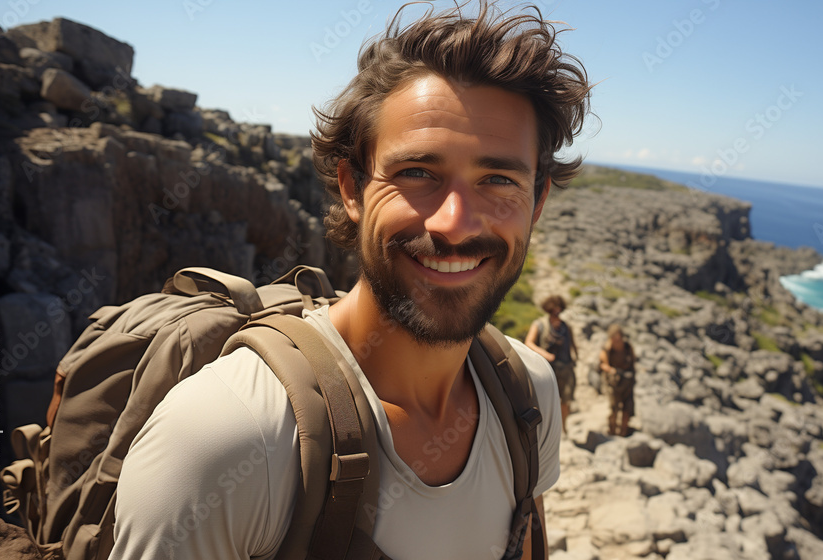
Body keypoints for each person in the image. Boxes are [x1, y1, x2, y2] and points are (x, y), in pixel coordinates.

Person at [108, 2, 591, 559]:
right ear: (352, 188)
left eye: (499, 179)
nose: (454, 223)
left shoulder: (528, 394)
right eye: (417, 173)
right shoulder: (224, 437)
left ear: (536, 202)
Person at [525, 295, 577, 434]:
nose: (557, 314)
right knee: (545, 401)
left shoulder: (566, 326)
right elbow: (529, 342)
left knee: (565, 400)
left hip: (565, 368)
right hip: (547, 369)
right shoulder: (539, 324)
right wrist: (545, 354)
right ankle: (547, 430)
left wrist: (575, 358)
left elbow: (572, 344)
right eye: (554, 311)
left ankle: (563, 428)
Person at [598, 324, 637, 437]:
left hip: (627, 383)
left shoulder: (627, 347)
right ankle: (612, 430)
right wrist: (612, 371)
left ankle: (623, 432)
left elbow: (633, 362)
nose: (617, 340)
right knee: (613, 408)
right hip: (613, 383)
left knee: (627, 408)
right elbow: (603, 364)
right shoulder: (607, 348)